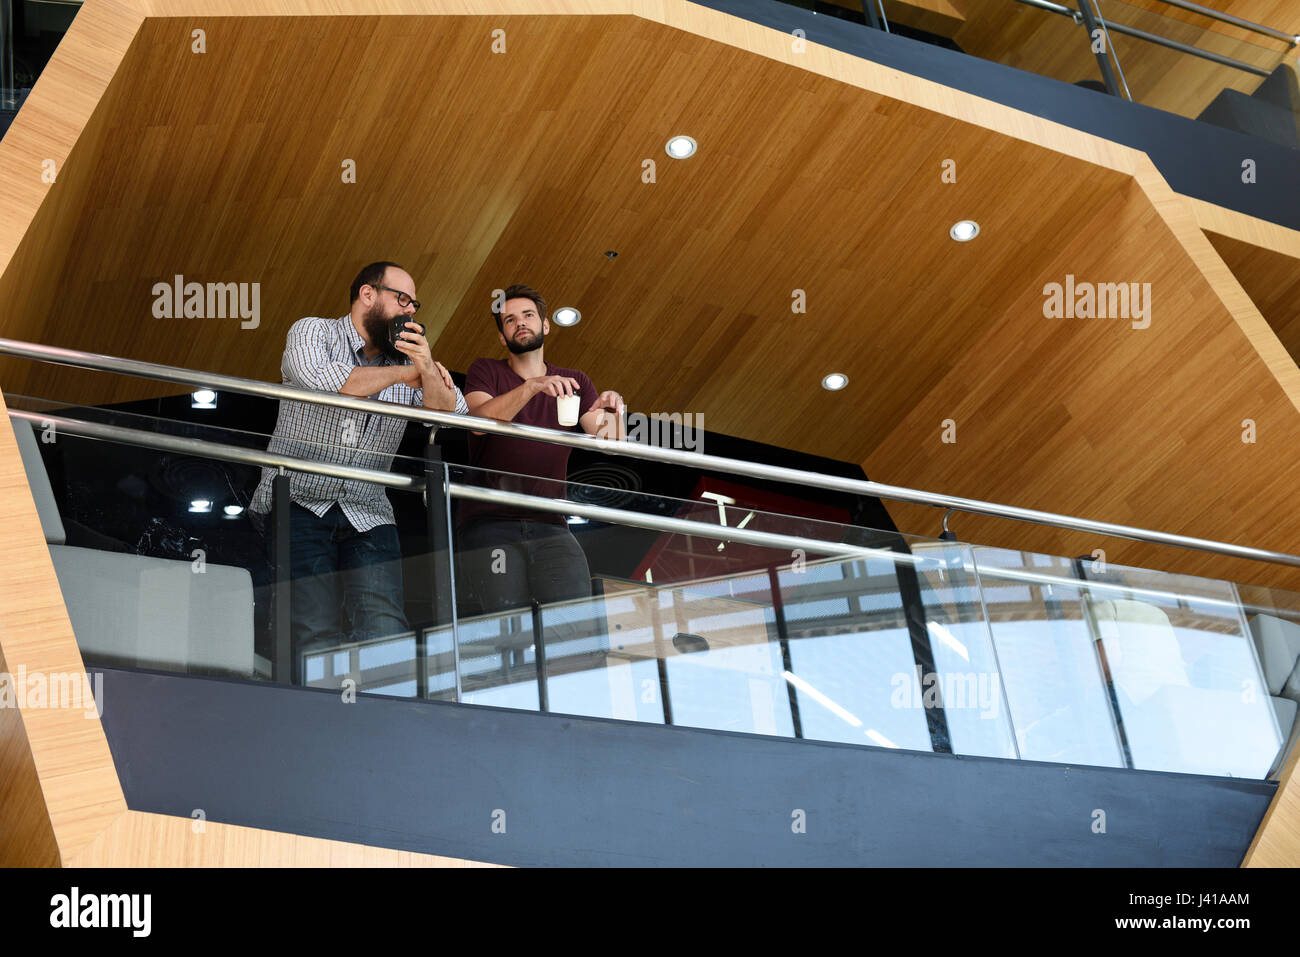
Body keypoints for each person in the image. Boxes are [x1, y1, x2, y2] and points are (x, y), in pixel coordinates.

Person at [250, 261, 467, 670]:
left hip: (368, 511)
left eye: (415, 305)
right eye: (402, 299)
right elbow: (325, 381)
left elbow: (450, 413)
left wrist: (425, 366)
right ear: (368, 294)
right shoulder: (312, 331)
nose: (411, 312)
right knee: (314, 630)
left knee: (386, 630)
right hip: (297, 500)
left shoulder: (408, 363)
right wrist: (408, 373)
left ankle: (383, 726)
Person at [458, 283, 624, 629]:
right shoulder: (486, 370)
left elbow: (610, 440)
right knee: (507, 623)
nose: (520, 323)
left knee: (574, 622)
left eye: (528, 316)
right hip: (491, 524)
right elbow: (477, 424)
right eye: (510, 320)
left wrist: (614, 411)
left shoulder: (575, 380)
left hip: (550, 525)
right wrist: (531, 386)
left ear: (545, 326)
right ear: (502, 337)